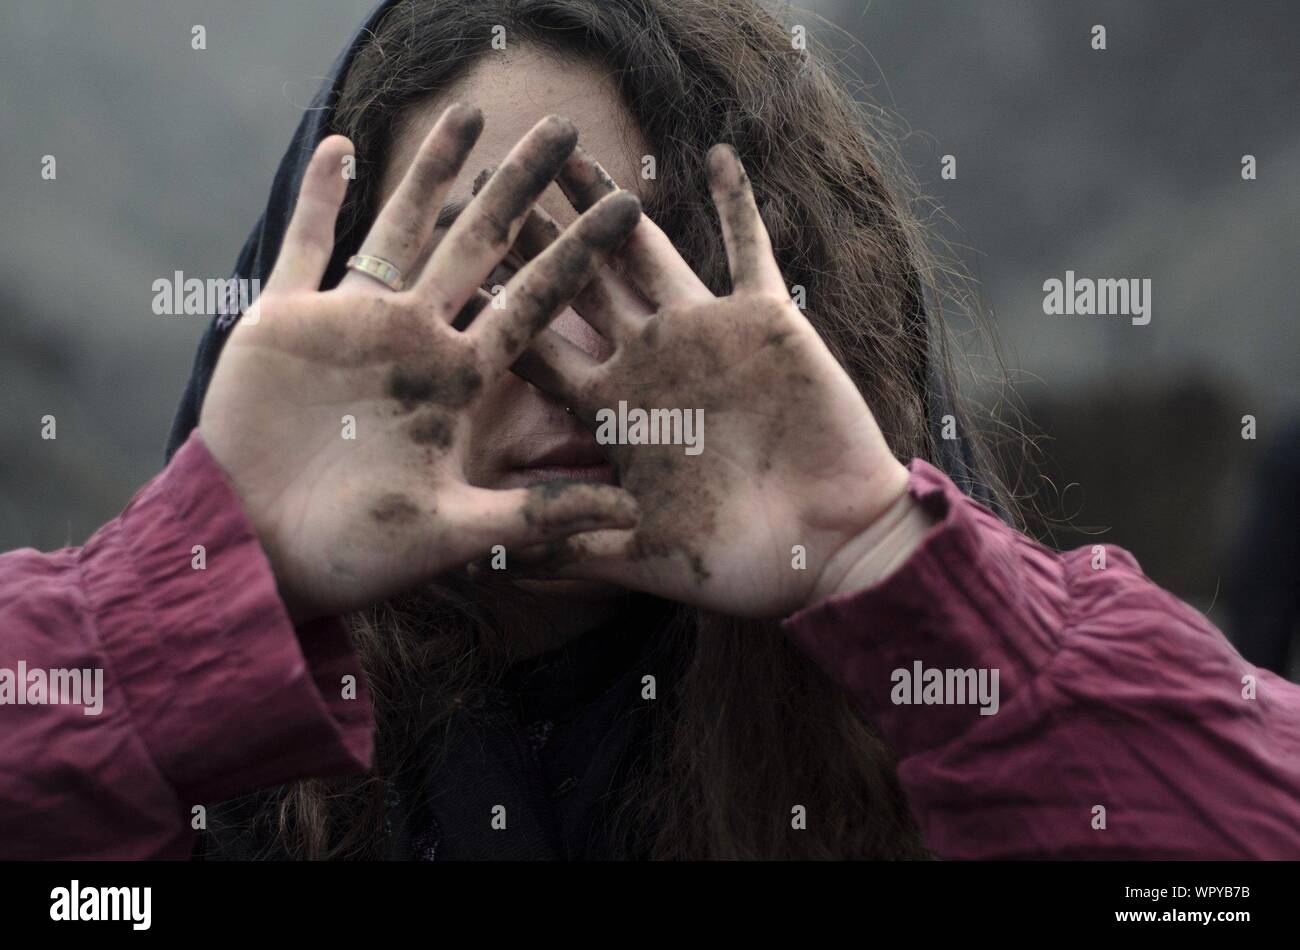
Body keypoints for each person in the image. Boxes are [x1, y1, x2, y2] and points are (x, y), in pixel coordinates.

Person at [2, 0, 1298, 861]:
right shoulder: (202, 788)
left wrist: (895, 582)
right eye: (476, 274)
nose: (562, 359)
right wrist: (192, 602)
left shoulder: (936, 734)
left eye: (638, 268)